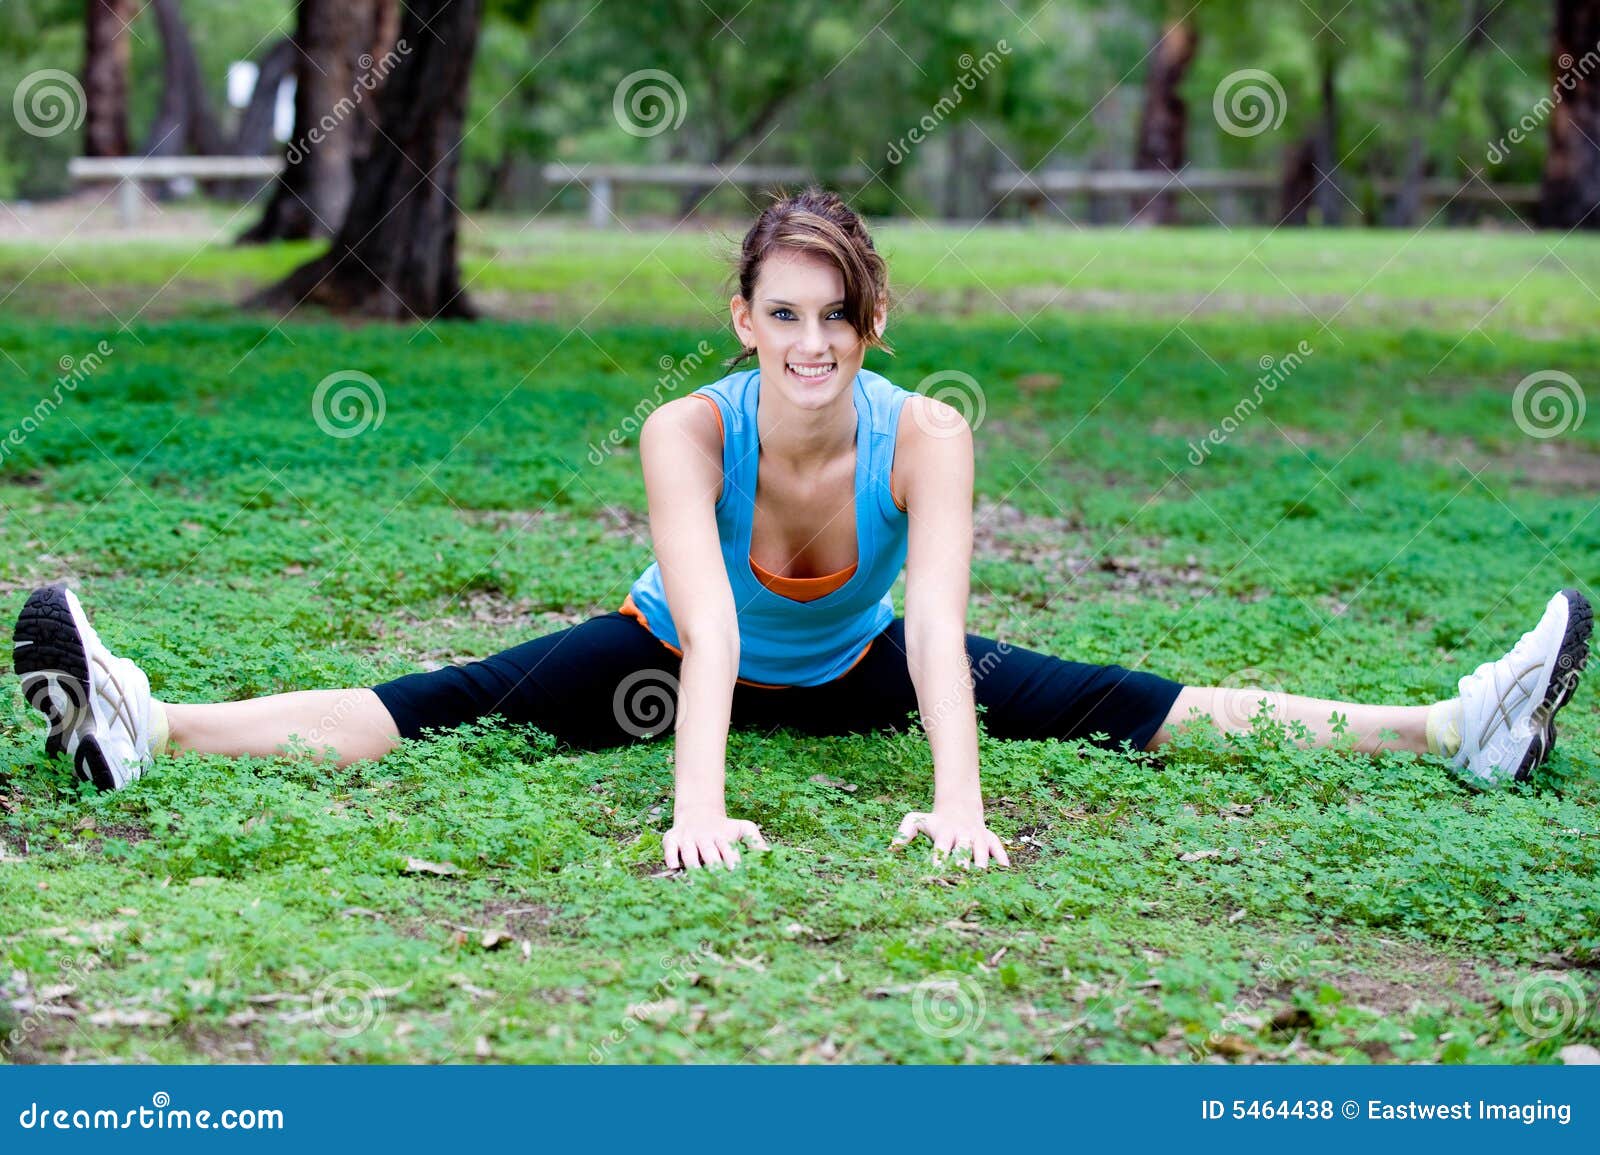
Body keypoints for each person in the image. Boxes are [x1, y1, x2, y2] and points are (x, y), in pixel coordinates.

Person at [11, 189, 1593, 873]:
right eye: (785, 315)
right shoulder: (688, 427)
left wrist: (960, 807)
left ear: (875, 318)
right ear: (744, 319)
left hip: (866, 667)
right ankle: (148, 721)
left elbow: (932, 635)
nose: (813, 342)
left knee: (1130, 701)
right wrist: (695, 807)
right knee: (444, 704)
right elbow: (703, 630)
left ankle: (1454, 726)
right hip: (664, 657)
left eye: (838, 315)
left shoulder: (934, 433)